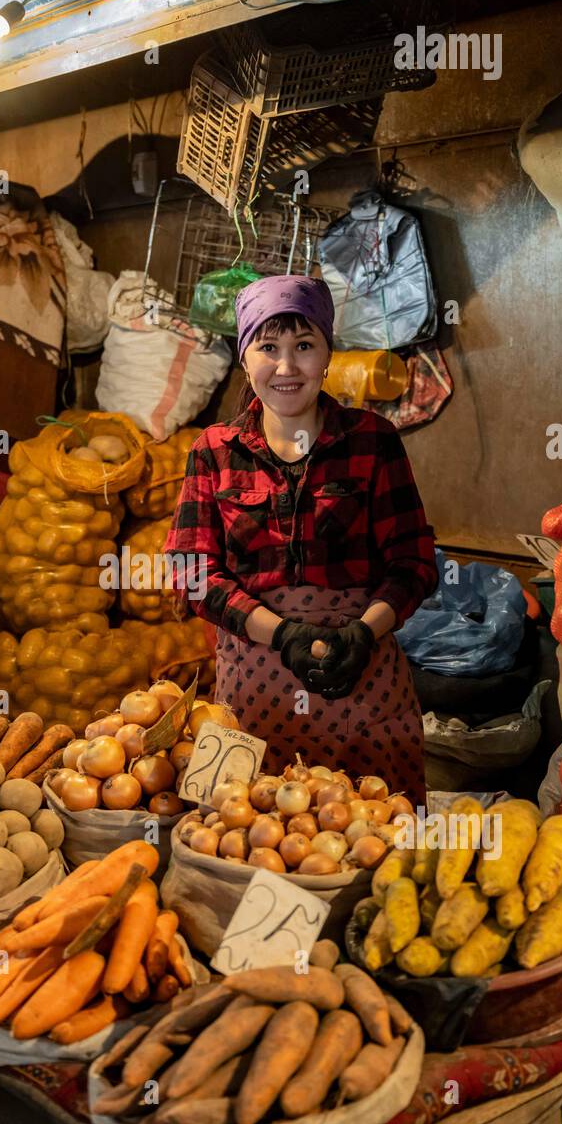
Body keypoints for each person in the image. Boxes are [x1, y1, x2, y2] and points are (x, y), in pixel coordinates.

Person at [165, 274, 438, 802]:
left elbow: (414, 560)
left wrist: (361, 634)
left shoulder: (372, 440)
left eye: (304, 346)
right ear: (245, 358)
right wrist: (282, 635)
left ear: (327, 355)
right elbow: (192, 573)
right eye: (268, 347)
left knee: (379, 842)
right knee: (256, 836)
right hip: (255, 691)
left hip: (367, 685)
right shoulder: (214, 450)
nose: (286, 367)